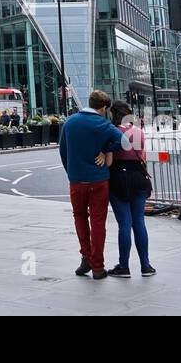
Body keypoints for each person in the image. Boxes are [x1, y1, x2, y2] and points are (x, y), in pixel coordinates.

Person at [58, 89, 125, 280]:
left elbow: (63, 151)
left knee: (79, 217)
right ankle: (97, 267)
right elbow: (124, 141)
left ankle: (85, 258)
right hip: (98, 180)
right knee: (97, 222)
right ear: (103, 108)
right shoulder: (102, 124)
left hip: (76, 181)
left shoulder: (70, 122)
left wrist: (71, 172)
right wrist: (106, 150)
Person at [107, 100, 155, 278]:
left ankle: (124, 266)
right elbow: (143, 157)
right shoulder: (139, 132)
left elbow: (109, 161)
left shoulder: (113, 133)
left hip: (119, 178)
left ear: (114, 114)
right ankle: (146, 265)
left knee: (124, 225)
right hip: (138, 177)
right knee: (139, 223)